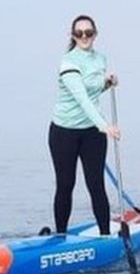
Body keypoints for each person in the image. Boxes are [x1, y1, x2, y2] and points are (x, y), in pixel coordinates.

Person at [48, 15, 120, 236]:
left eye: (88, 33)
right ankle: (60, 236)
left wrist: (107, 83)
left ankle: (106, 235)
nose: (84, 37)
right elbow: (81, 98)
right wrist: (105, 125)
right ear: (73, 36)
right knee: (65, 185)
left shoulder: (101, 59)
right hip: (64, 132)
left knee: (96, 185)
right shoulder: (68, 62)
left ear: (95, 34)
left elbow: (93, 91)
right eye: (79, 33)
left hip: (92, 134)